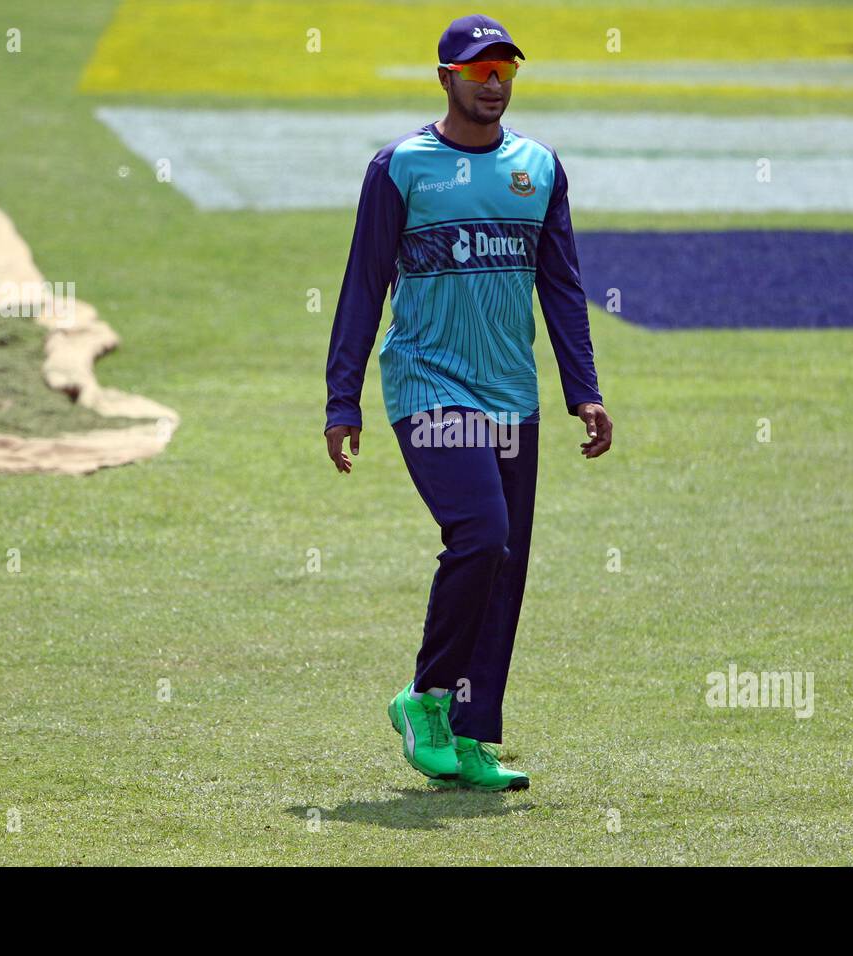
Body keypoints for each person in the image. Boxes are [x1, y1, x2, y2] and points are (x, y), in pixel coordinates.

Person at [323, 13, 612, 791]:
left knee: (506, 562)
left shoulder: (539, 169)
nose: (493, 83)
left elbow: (562, 285)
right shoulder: (402, 167)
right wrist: (340, 397)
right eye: (478, 71)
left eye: (504, 70)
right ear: (445, 77)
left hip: (510, 393)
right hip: (427, 381)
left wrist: (582, 390)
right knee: (481, 534)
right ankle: (424, 699)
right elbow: (363, 282)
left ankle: (472, 737)